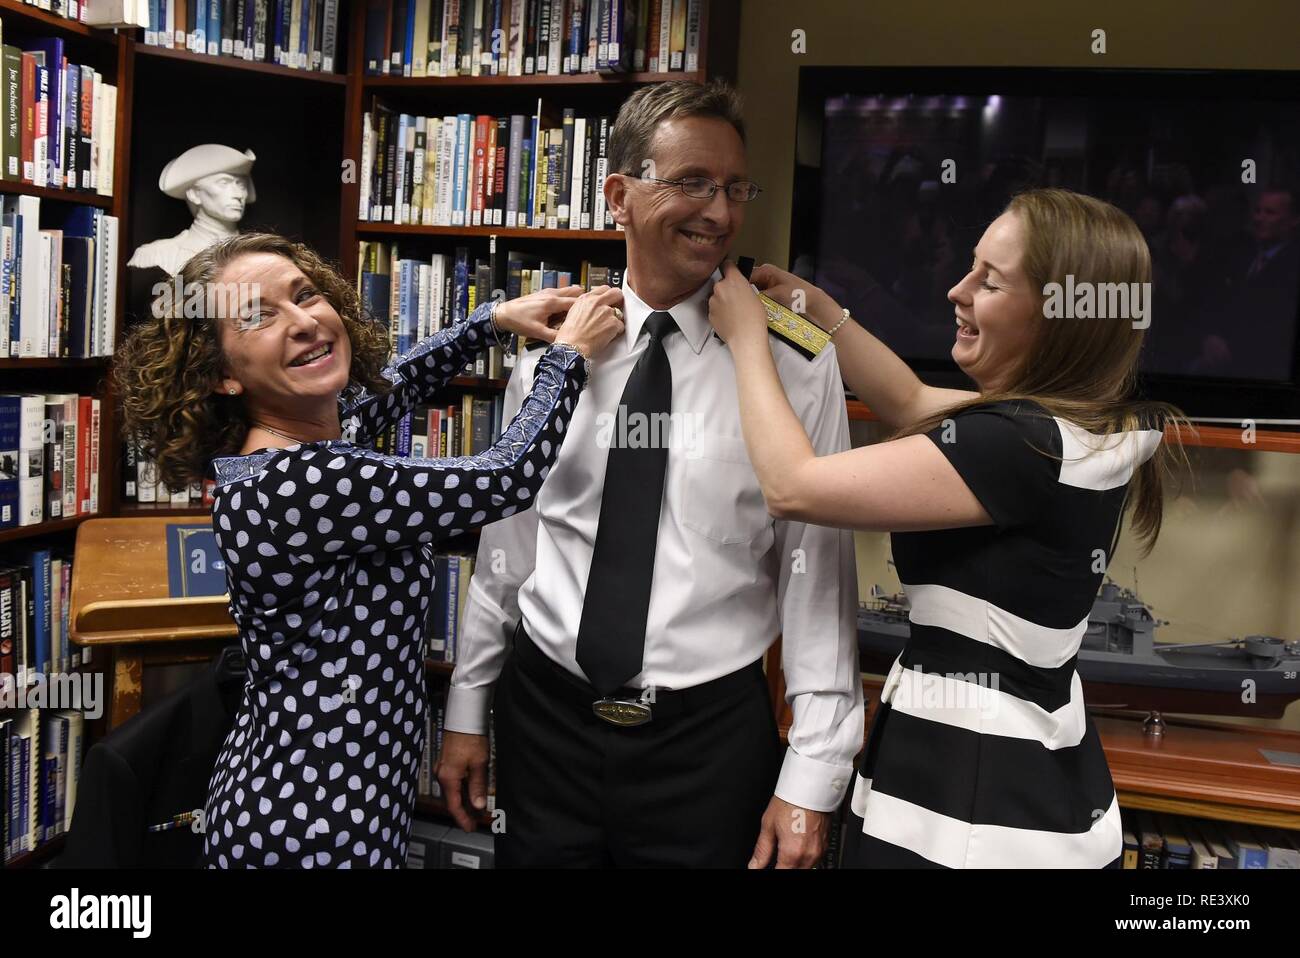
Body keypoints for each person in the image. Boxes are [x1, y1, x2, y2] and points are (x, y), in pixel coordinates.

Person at [436, 80, 863, 869]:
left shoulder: (796, 365)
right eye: (693, 182)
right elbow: (509, 552)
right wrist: (466, 706)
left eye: (735, 188)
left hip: (705, 742)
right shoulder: (555, 354)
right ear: (619, 196)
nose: (721, 212)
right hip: (546, 719)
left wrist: (813, 774)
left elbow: (818, 580)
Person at [706, 188, 1189, 868]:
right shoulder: (1082, 424)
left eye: (989, 282)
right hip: (1042, 785)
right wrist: (819, 309)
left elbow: (793, 486)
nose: (956, 291)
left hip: (972, 812)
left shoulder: (1016, 446)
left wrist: (748, 339)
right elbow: (908, 400)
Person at [113, 231, 623, 867]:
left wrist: (490, 321)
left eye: (305, 295)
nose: (304, 322)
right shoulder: (301, 483)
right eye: (259, 316)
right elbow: (505, 478)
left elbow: (393, 388)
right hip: (309, 827)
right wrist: (569, 355)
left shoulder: (291, 444)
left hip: (331, 802)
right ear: (222, 376)